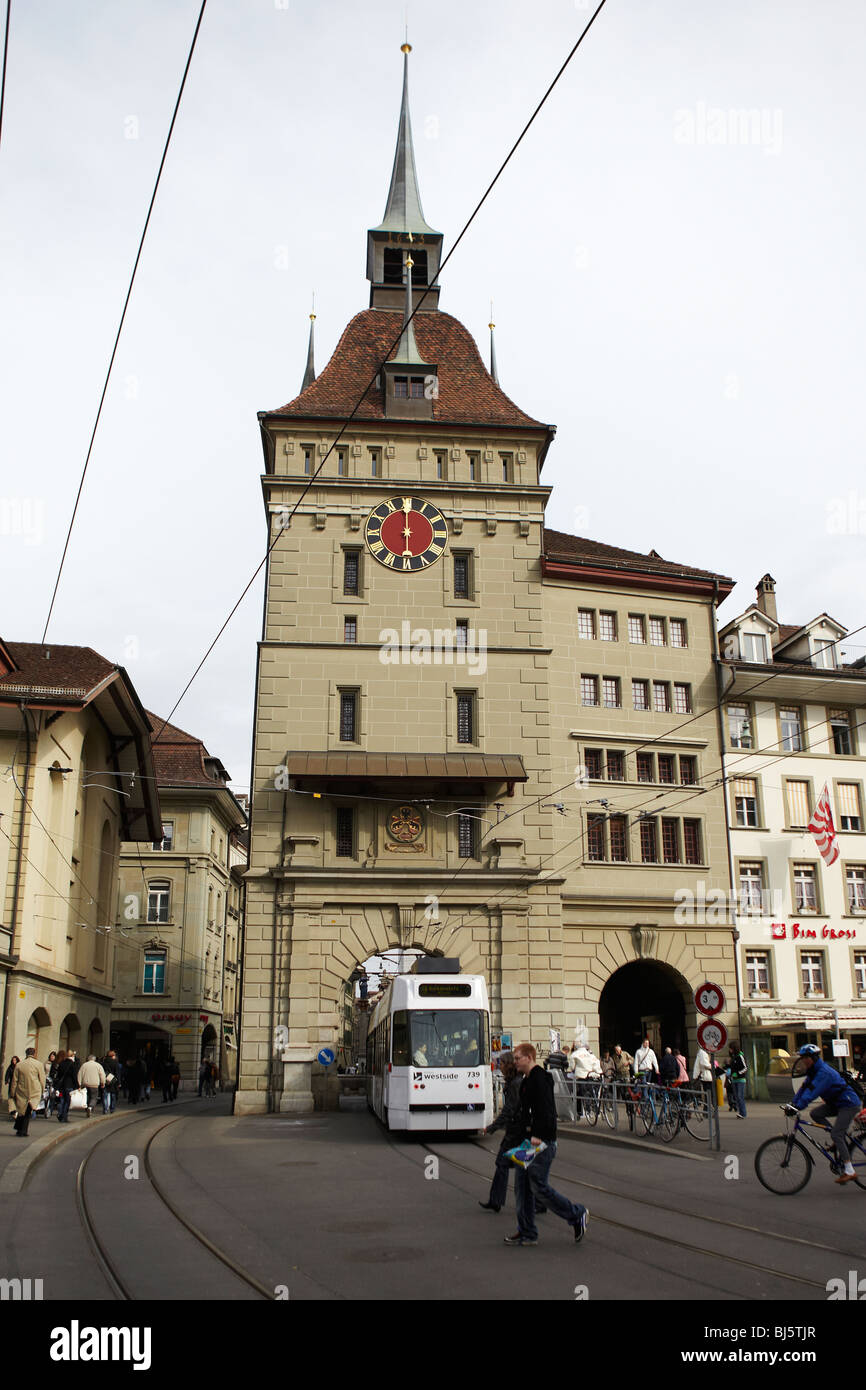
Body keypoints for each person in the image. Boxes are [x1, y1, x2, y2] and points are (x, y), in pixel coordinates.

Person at [504, 1043, 589, 1247]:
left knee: (538, 1186)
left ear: (529, 1057)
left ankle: (577, 1214)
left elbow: (546, 1110)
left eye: (517, 1058)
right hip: (527, 1141)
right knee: (522, 1188)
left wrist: (539, 1135)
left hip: (541, 1142)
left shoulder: (539, 1079)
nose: (514, 1062)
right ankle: (527, 1231)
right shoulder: (527, 1080)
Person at [785, 1043, 862, 1183]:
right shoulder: (813, 1071)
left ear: (813, 1058)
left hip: (849, 1104)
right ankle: (839, 1140)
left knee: (836, 1134)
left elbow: (812, 1092)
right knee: (816, 1114)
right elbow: (804, 1089)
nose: (803, 1061)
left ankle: (850, 1171)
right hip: (836, 1103)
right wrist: (792, 1104)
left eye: (805, 1058)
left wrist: (799, 1106)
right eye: (801, 1058)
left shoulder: (823, 1073)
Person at [479, 1052, 524, 1213]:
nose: (499, 1066)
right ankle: (495, 1200)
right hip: (516, 1131)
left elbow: (510, 1109)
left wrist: (492, 1127)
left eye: (501, 1063)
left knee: (519, 1168)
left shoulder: (515, 1083)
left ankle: (496, 1200)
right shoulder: (514, 1082)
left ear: (508, 1065)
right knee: (510, 1166)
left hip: (517, 1133)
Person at [10, 1049, 45, 1137]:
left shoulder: (19, 1065)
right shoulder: (39, 1064)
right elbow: (42, 1079)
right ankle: (23, 1130)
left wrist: (12, 1093)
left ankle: (19, 1129)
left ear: (26, 1053)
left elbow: (14, 1080)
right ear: (34, 1054)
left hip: (22, 1090)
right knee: (28, 1111)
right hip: (34, 1090)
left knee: (21, 1110)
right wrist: (42, 1089)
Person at [728, 1041, 748, 1118]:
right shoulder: (733, 1057)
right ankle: (741, 1112)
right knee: (736, 1097)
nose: (730, 1050)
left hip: (740, 1080)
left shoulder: (740, 1056)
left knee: (740, 1096)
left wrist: (738, 1073)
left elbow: (745, 1068)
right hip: (734, 1080)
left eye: (731, 1048)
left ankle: (743, 1113)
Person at [5, 1055, 21, 1123]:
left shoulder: (19, 1067)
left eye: (15, 1060)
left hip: (18, 1085)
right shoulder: (10, 1067)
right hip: (11, 1084)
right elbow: (7, 1074)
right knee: (11, 1098)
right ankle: (13, 1112)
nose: (14, 1061)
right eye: (13, 1060)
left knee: (17, 1098)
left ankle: (16, 1112)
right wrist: (6, 1080)